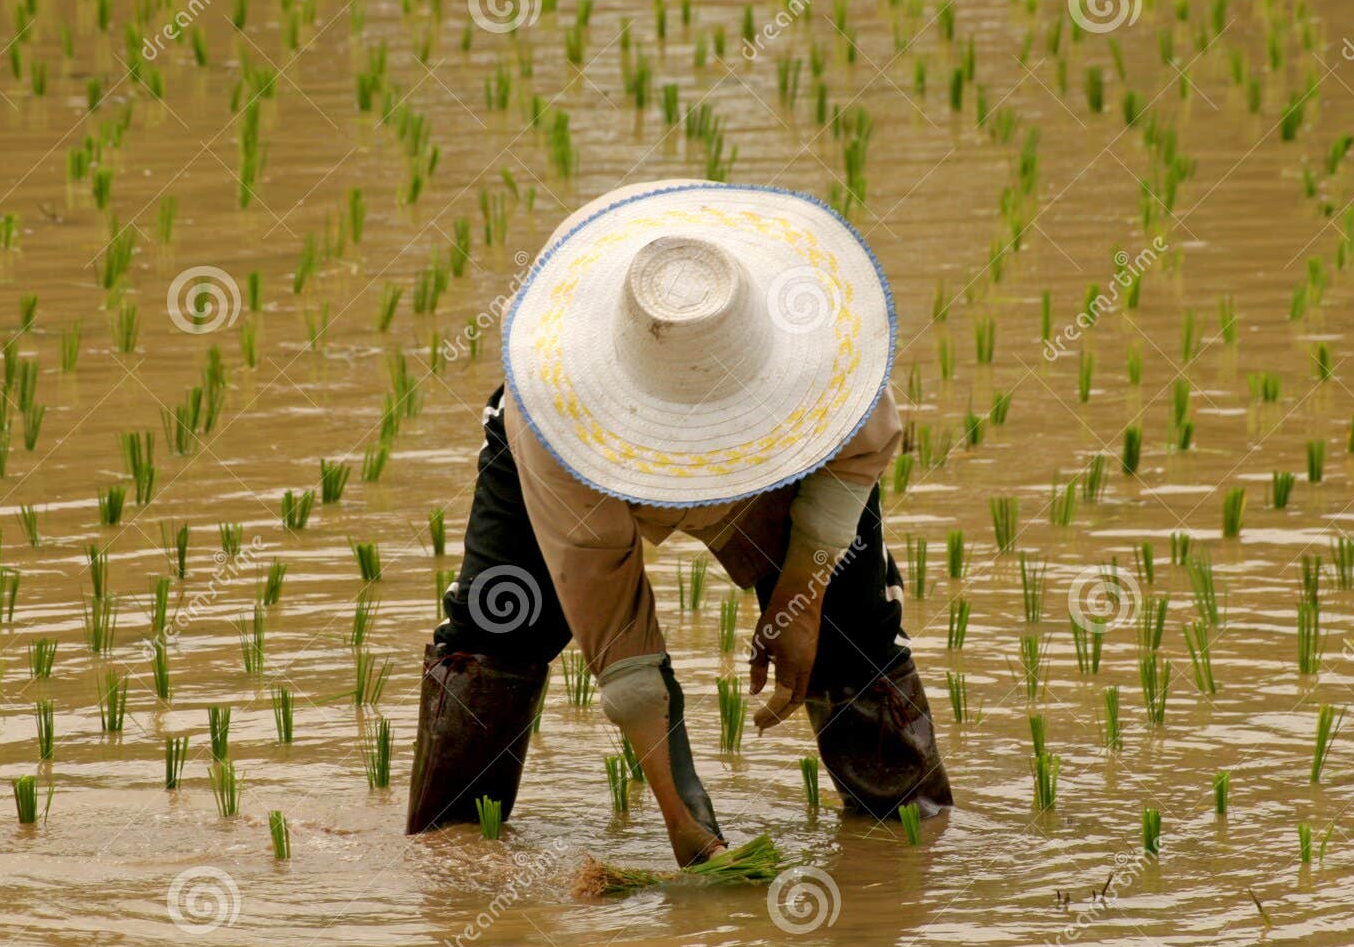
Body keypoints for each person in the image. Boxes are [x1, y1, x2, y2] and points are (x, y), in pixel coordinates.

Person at [405, 180, 951, 865]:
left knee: (851, 633)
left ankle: (909, 844)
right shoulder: (557, 414)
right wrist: (684, 817)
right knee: (496, 629)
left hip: (779, 459)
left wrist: (801, 598)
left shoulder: (822, 349)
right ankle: (451, 856)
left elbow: (860, 452)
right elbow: (622, 646)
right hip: (579, 441)